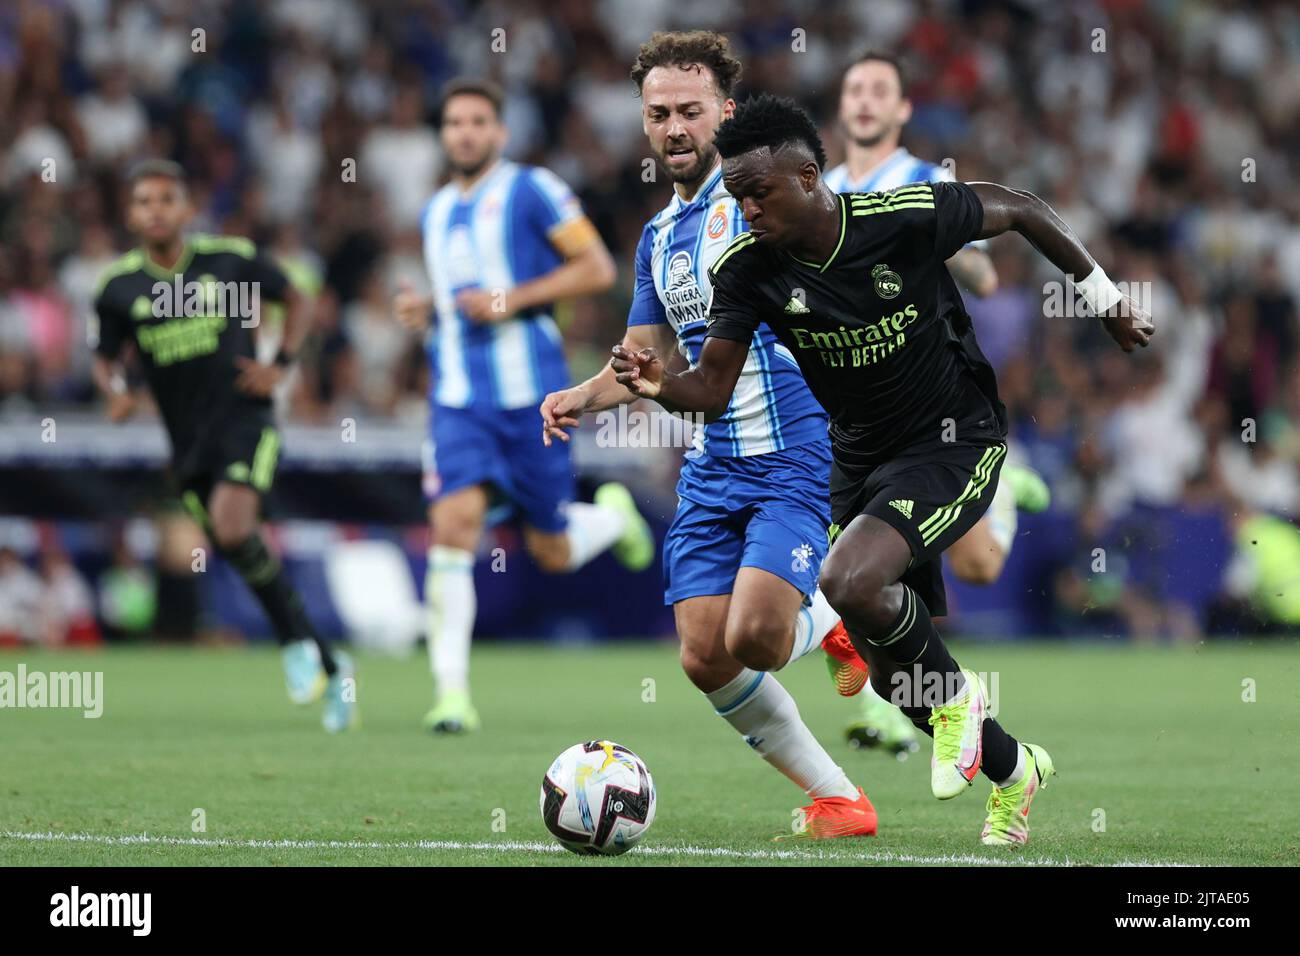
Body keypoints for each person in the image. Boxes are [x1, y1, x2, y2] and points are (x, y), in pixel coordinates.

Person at [611, 94, 1153, 846]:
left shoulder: (901, 216)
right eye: (736, 195)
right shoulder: (746, 270)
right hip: (860, 460)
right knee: (896, 670)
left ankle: (961, 700)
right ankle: (1015, 772)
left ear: (807, 177)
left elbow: (1024, 209)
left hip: (952, 440)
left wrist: (1104, 299)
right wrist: (654, 383)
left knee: (847, 583)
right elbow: (707, 389)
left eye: (759, 193)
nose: (747, 209)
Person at [541, 32, 876, 839]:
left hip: (795, 447)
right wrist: (582, 396)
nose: (674, 127)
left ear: (724, 113)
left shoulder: (763, 205)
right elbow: (647, 355)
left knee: (757, 636)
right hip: (713, 463)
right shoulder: (659, 239)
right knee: (703, 653)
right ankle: (840, 798)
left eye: (690, 110)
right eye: (658, 114)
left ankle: (825, 615)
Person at [394, 78, 653, 734]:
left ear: (500, 133)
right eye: (454, 122)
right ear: (444, 134)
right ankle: (451, 694)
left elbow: (596, 268)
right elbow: (460, 303)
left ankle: (612, 521)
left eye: (479, 120)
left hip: (533, 400)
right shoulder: (434, 212)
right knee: (454, 524)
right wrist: (425, 312)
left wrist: (510, 299)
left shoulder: (531, 189)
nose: (466, 132)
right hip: (459, 401)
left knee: (554, 550)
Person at [828, 50, 1052, 755]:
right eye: (855, 89)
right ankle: (894, 709)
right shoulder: (817, 191)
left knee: (978, 567)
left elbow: (984, 278)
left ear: (901, 111)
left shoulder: (926, 181)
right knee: (858, 565)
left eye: (881, 91)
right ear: (842, 107)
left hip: (935, 405)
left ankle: (1004, 486)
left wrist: (943, 241)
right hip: (853, 408)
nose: (866, 100)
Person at [91, 159, 356, 732]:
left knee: (233, 529)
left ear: (186, 209)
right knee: (240, 549)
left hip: (245, 421)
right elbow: (104, 355)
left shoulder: (229, 259)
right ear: (130, 213)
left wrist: (280, 365)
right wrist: (114, 392)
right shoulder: (118, 288)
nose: (155, 210)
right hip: (186, 447)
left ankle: (298, 648)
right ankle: (325, 660)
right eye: (143, 202)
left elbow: (298, 298)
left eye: (166, 199)